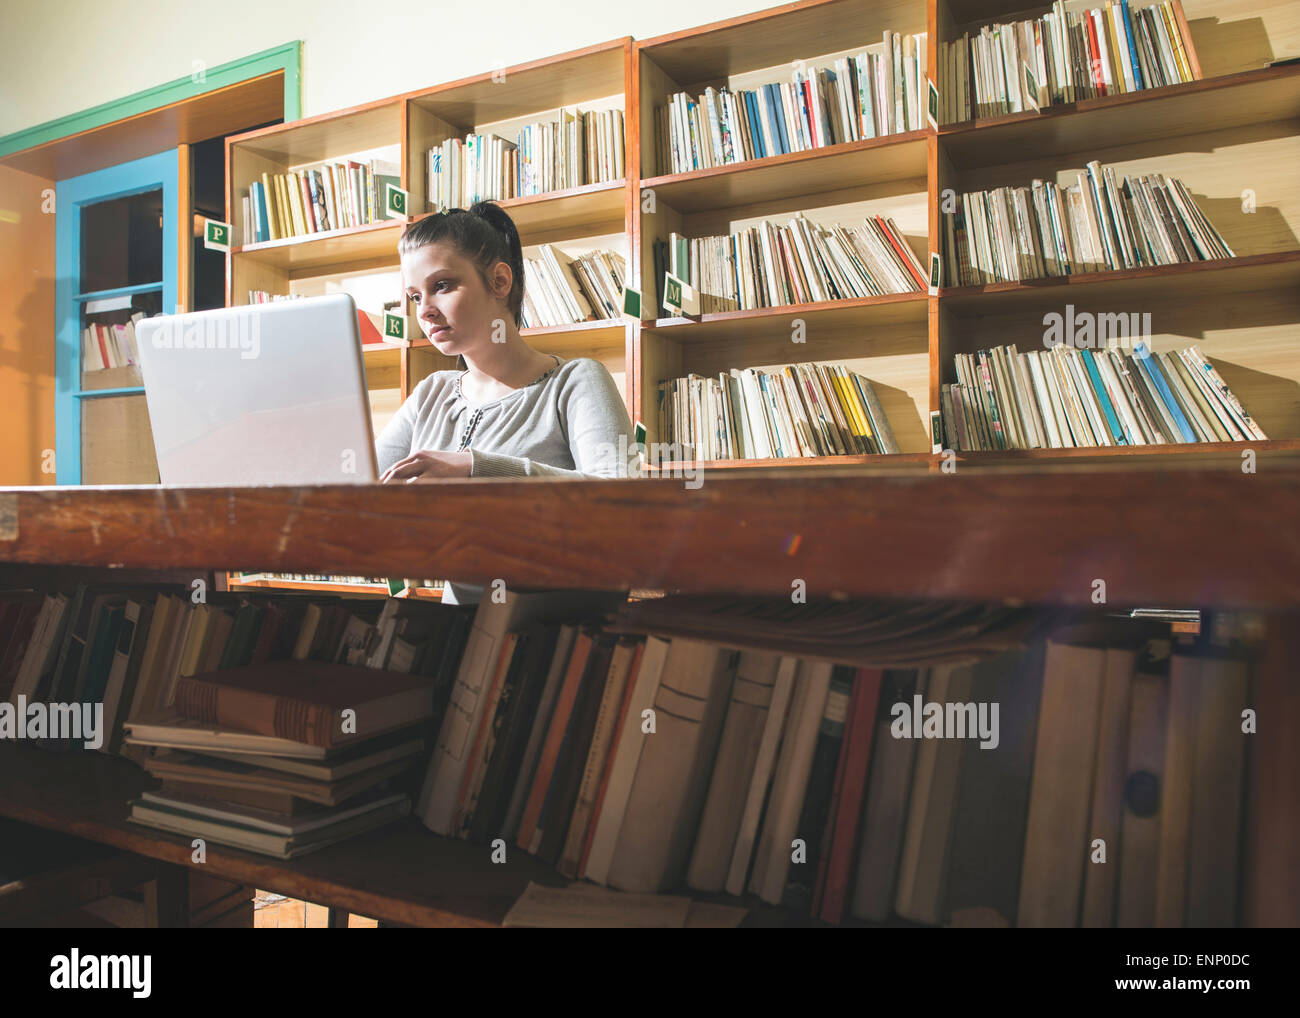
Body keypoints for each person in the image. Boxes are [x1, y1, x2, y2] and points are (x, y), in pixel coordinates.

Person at [375, 201, 635, 604]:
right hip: (460, 633)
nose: (424, 310)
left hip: (556, 635)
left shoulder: (575, 381)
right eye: (414, 296)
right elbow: (360, 485)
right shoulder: (432, 392)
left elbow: (622, 505)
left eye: (442, 285)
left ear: (499, 281)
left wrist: (477, 467)